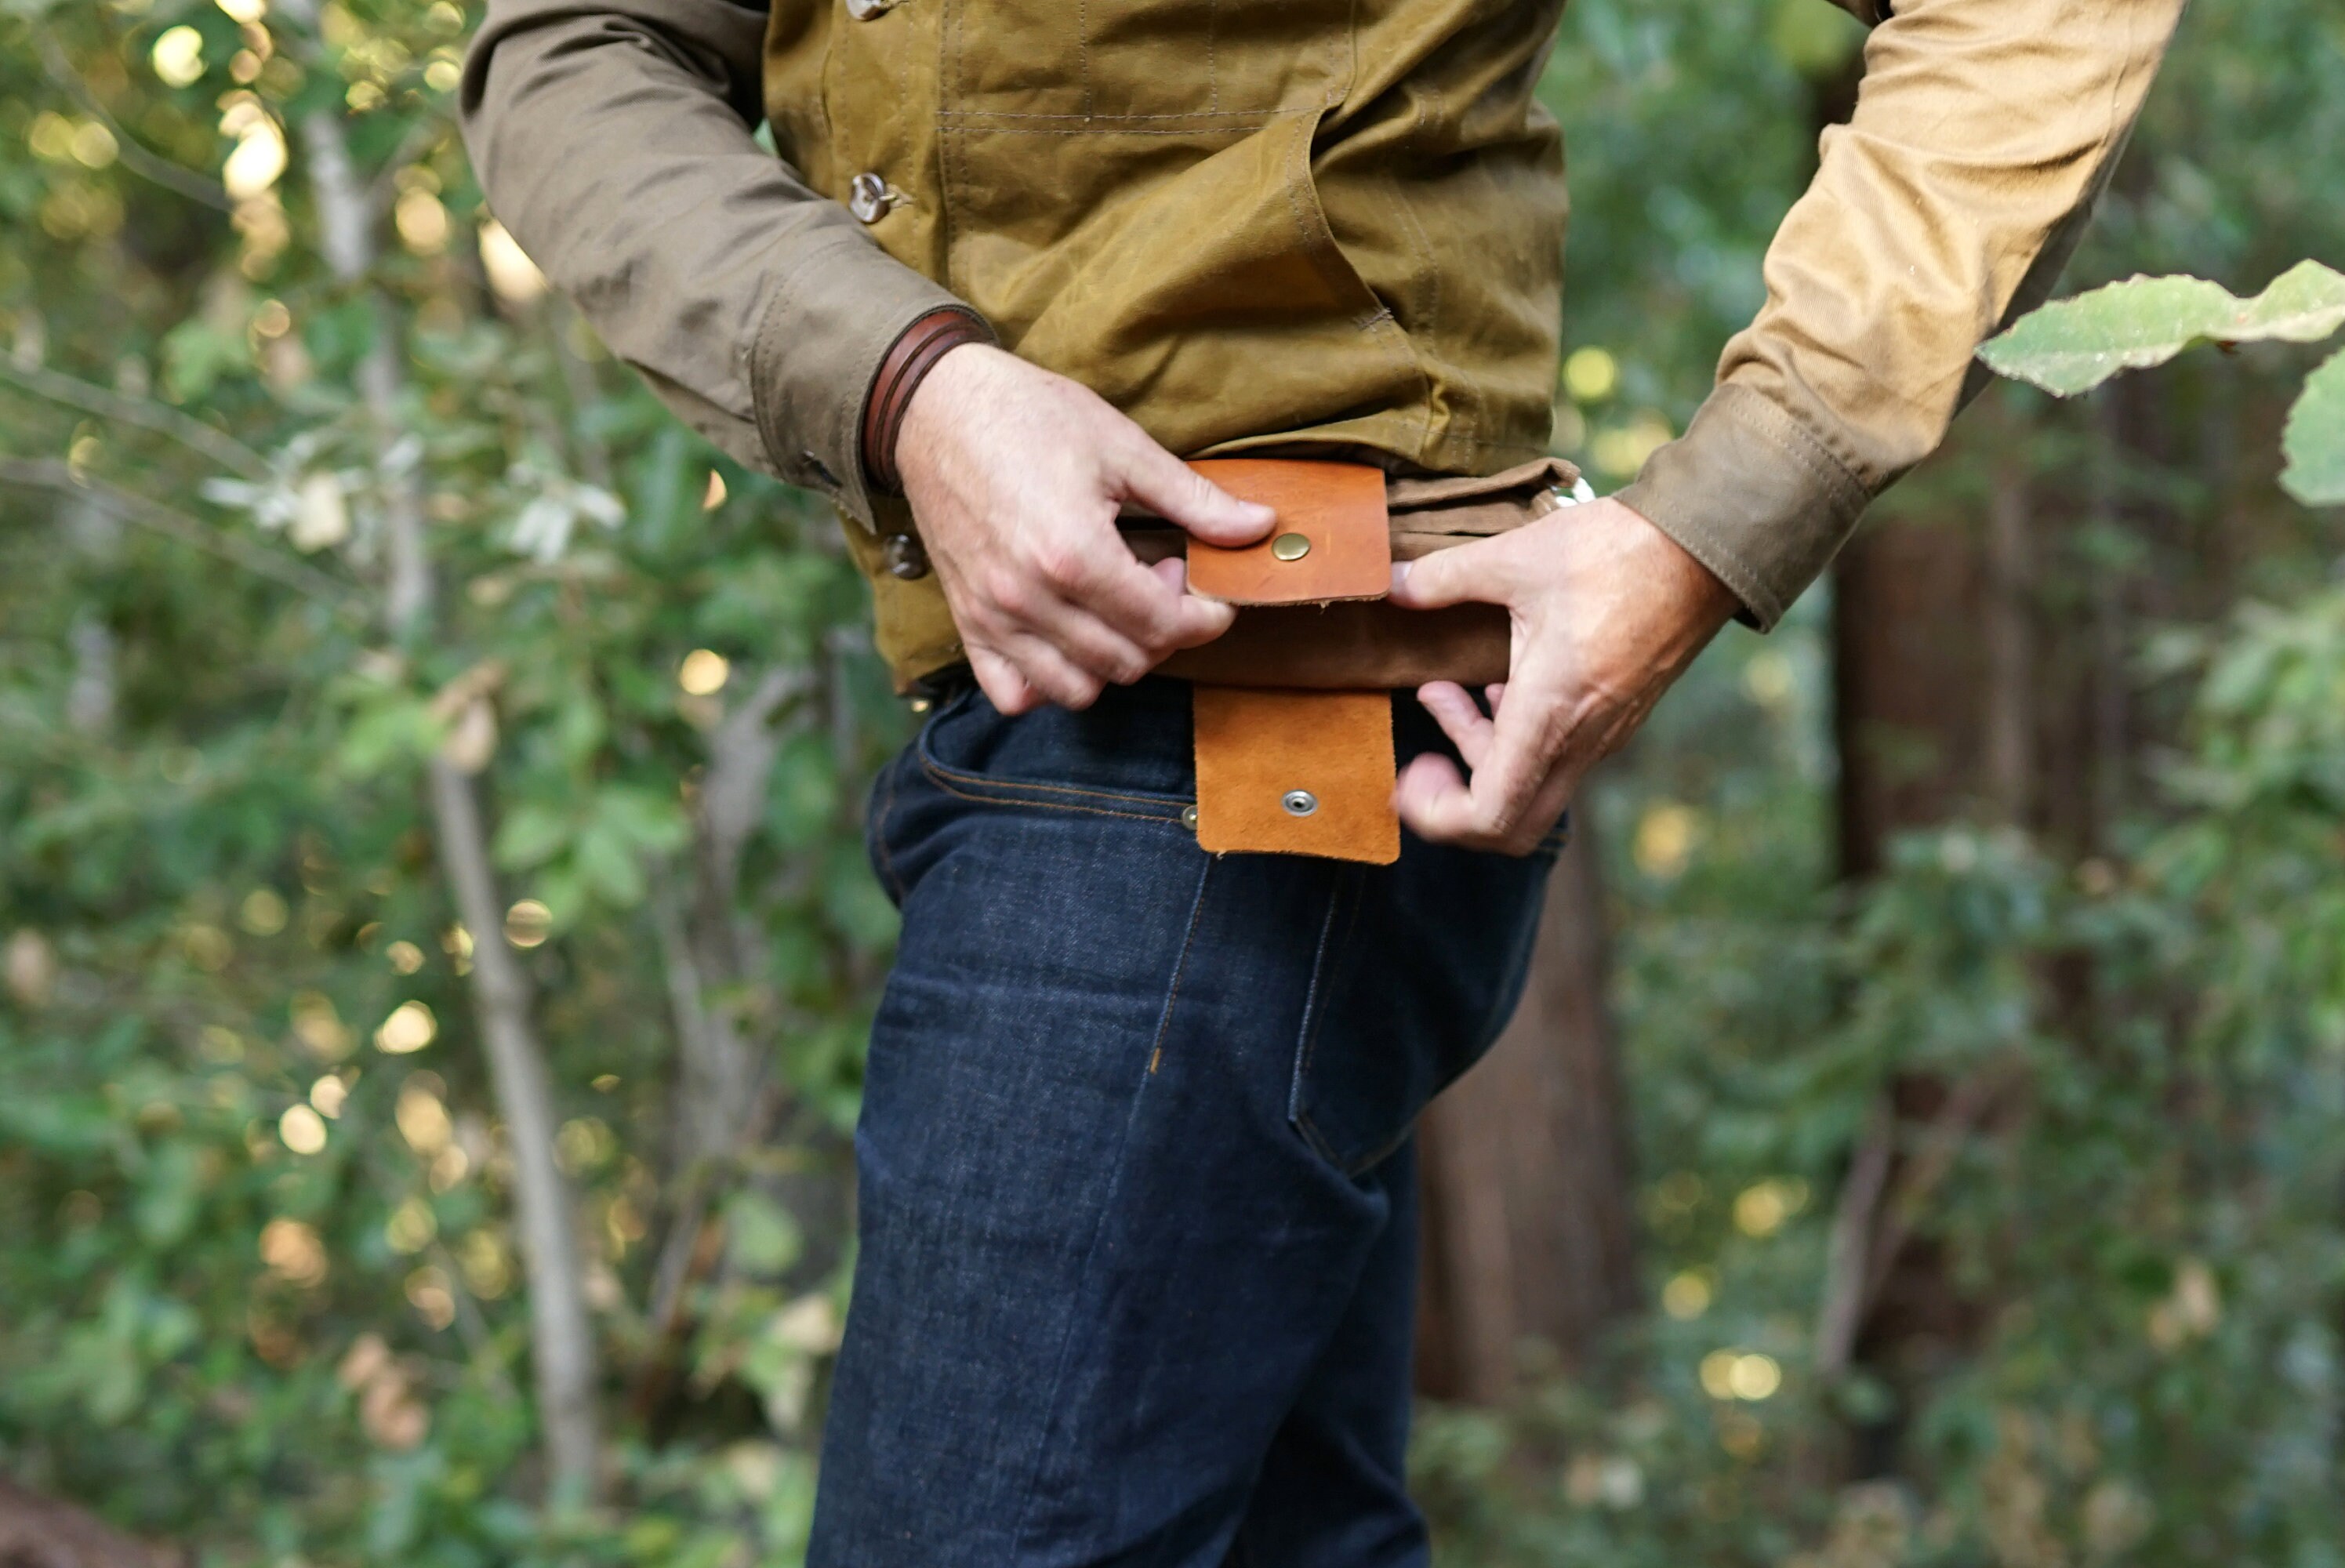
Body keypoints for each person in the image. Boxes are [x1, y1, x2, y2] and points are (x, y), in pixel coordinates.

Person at [461, 0, 2181, 1557]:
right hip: (1063, 740)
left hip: (1237, 731)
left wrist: (1725, 507)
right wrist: (907, 387)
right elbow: (572, 51)